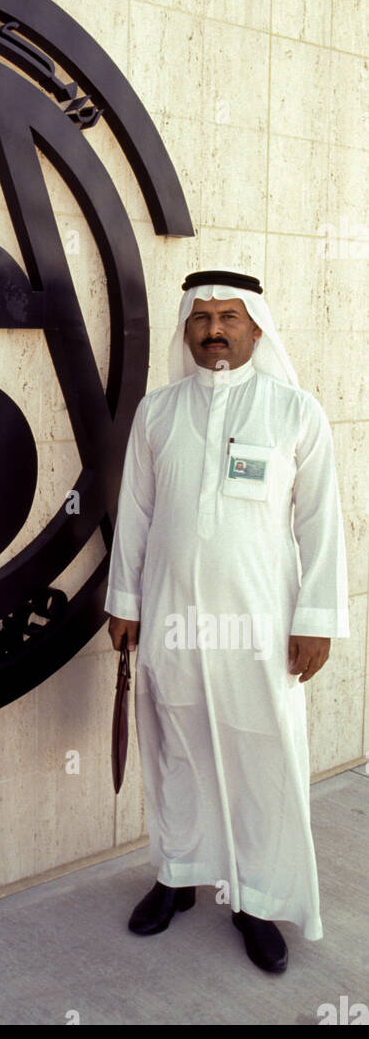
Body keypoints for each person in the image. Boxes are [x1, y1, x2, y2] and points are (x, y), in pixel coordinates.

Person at [105, 269, 349, 973]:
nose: (215, 329)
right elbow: (138, 518)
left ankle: (256, 896)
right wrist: (125, 603)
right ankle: (178, 875)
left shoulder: (295, 412)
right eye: (202, 317)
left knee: (259, 756)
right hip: (174, 619)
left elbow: (320, 524)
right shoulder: (157, 412)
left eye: (229, 317)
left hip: (260, 626)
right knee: (176, 747)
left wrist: (317, 619)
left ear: (256, 328)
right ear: (187, 329)